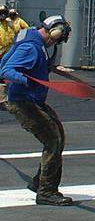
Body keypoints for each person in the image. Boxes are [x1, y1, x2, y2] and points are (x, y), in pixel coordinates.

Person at [0, 14, 75, 205]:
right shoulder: (30, 47)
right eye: (58, 38)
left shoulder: (33, 39)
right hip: (24, 102)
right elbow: (6, 70)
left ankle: (39, 182)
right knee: (53, 140)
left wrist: (48, 68)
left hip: (32, 100)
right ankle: (47, 191)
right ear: (54, 32)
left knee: (58, 135)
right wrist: (30, 81)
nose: (56, 43)